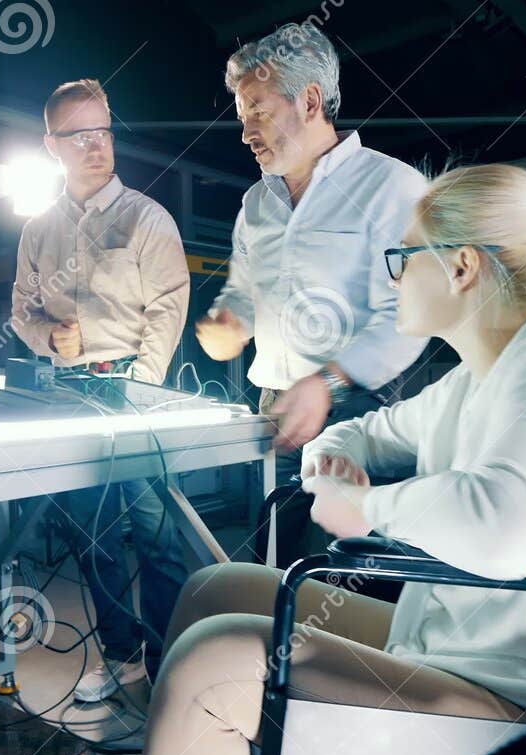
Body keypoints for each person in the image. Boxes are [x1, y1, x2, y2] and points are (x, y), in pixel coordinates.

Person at [32, 163, 526, 755]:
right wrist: (335, 469)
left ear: (463, 267)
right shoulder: (485, 375)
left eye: (403, 257)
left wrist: (368, 511)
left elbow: (510, 531)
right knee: (219, 589)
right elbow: (364, 435)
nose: (392, 279)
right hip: (477, 647)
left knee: (217, 663)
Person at [195, 21, 430, 564]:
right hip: (272, 414)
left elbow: (408, 317)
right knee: (274, 563)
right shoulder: (256, 203)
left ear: (309, 100)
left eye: (258, 109)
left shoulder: (393, 188)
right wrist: (231, 321)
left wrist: (326, 381)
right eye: (241, 114)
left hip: (358, 417)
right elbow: (244, 296)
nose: (246, 130)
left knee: (334, 582)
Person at [9, 79, 191, 702]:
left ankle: (170, 661)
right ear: (50, 145)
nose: (96, 147)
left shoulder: (146, 218)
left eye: (104, 132)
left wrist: (139, 391)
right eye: (79, 136)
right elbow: (20, 312)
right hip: (70, 396)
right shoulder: (38, 230)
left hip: (132, 393)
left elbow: (169, 308)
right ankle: (122, 655)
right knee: (93, 539)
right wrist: (45, 337)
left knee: (162, 538)